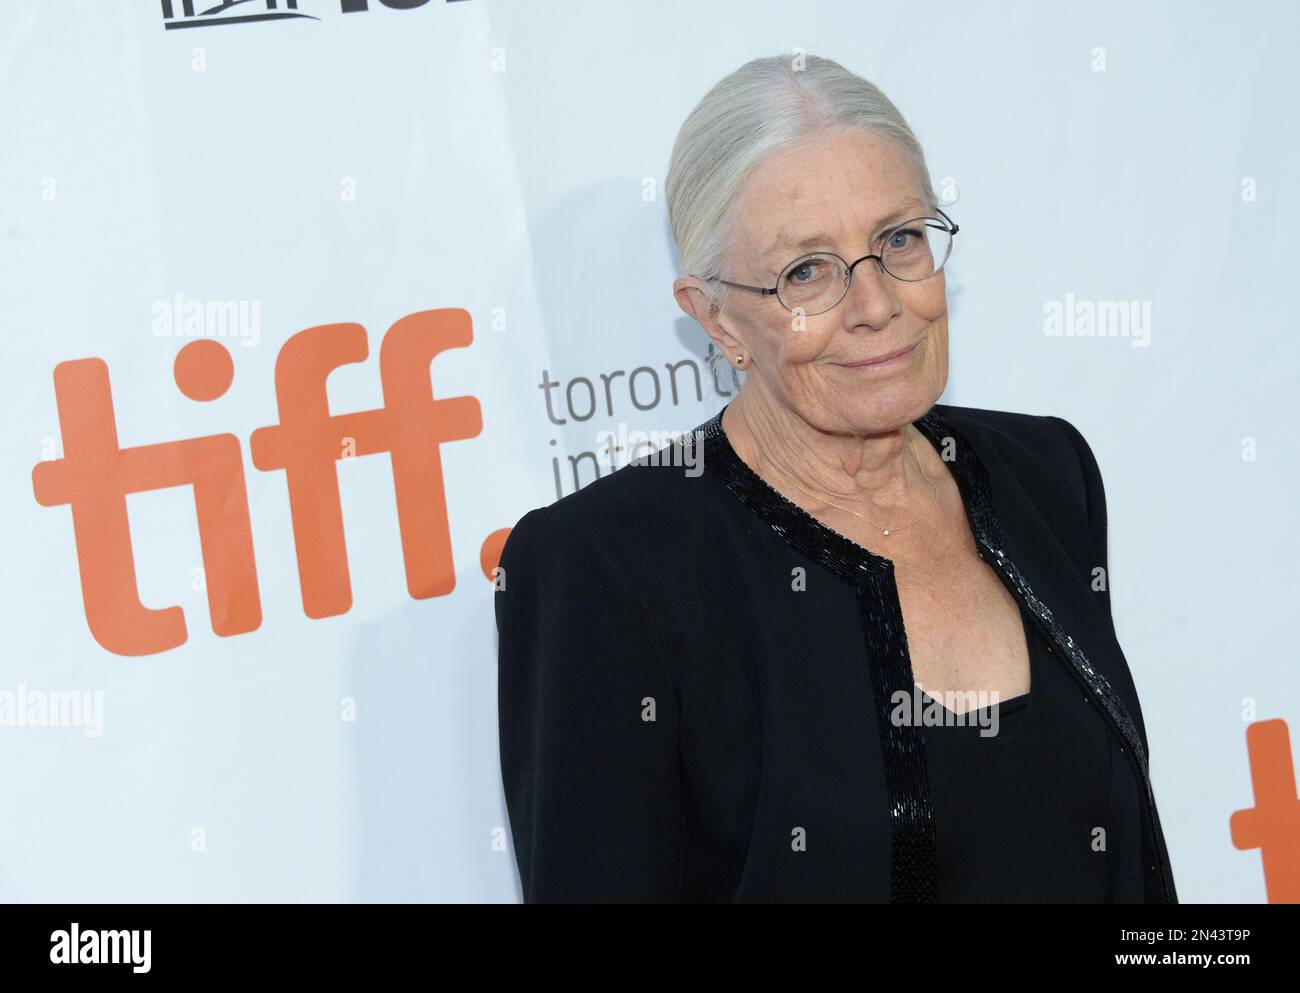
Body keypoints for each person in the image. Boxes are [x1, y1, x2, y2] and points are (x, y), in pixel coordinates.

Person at [495, 53, 1178, 903]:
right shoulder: (607, 566)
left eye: (898, 240)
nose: (877, 303)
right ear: (714, 317)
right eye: (806, 271)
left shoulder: (1047, 472)